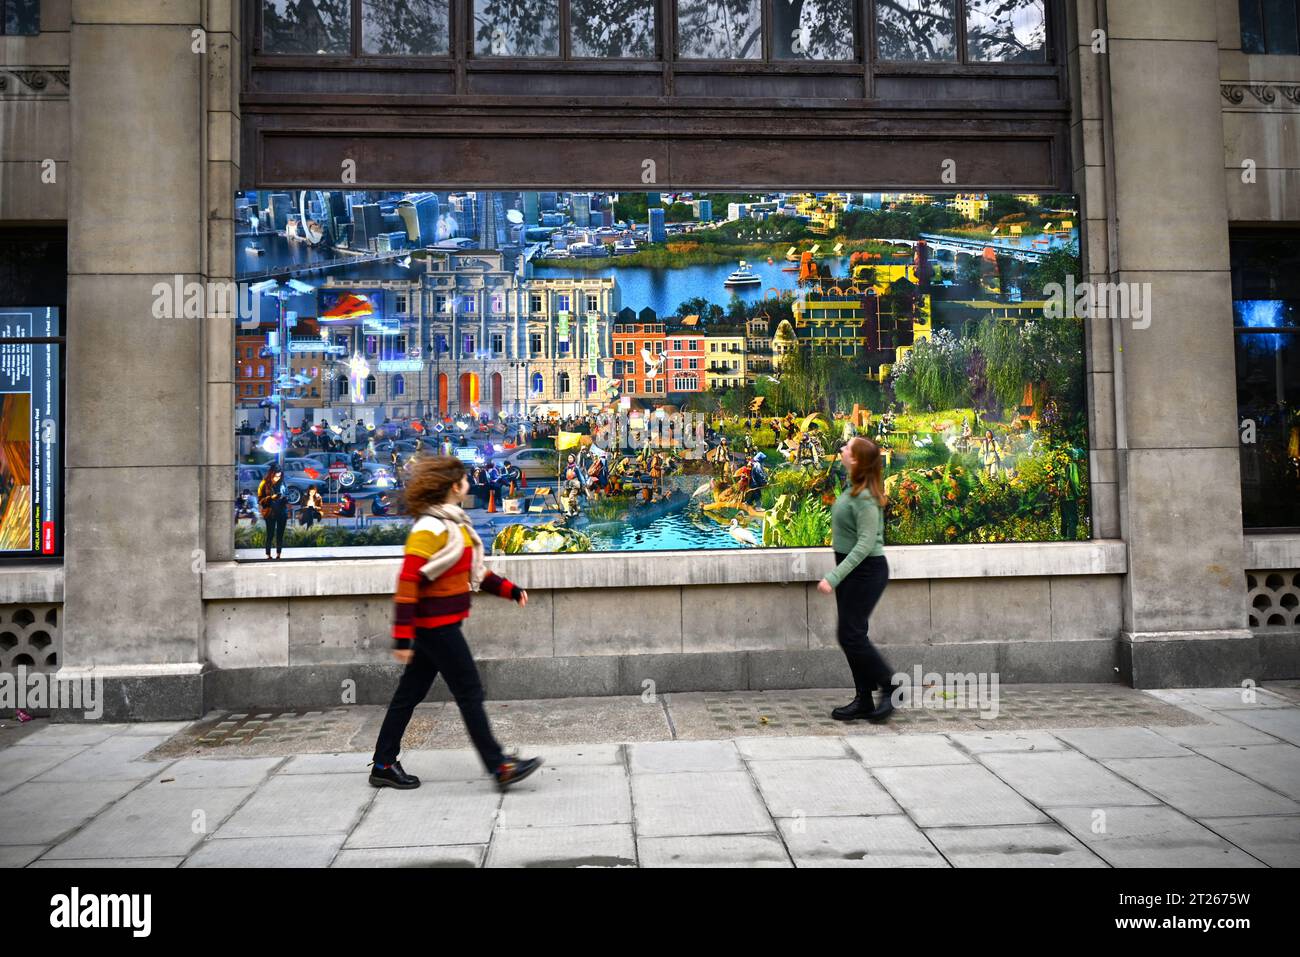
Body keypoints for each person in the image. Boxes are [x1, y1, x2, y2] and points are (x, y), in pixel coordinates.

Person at [369, 456, 542, 791]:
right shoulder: (430, 527)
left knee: (409, 694)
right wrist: (402, 638)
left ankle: (383, 763)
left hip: (438, 625)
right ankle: (499, 766)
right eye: (464, 479)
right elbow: (408, 581)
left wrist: (509, 590)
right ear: (453, 486)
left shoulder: (454, 524)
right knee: (469, 691)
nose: (469, 483)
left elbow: (475, 572)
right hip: (435, 626)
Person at [817, 437, 898, 722]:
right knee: (853, 635)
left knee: (849, 635)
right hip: (852, 569)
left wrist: (834, 577)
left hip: (866, 570)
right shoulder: (853, 488)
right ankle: (863, 699)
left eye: (847, 449)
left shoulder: (865, 498)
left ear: (857, 460)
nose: (841, 449)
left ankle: (889, 685)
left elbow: (865, 544)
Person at [257, 465, 289, 560]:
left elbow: (287, 494)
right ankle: (268, 554)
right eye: (275, 476)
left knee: (280, 534)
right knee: (270, 534)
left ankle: (279, 554)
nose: (277, 478)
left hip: (282, 512)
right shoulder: (264, 483)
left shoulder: (282, 482)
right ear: (271, 474)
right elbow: (260, 500)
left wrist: (285, 498)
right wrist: (271, 498)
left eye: (279, 476)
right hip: (270, 512)